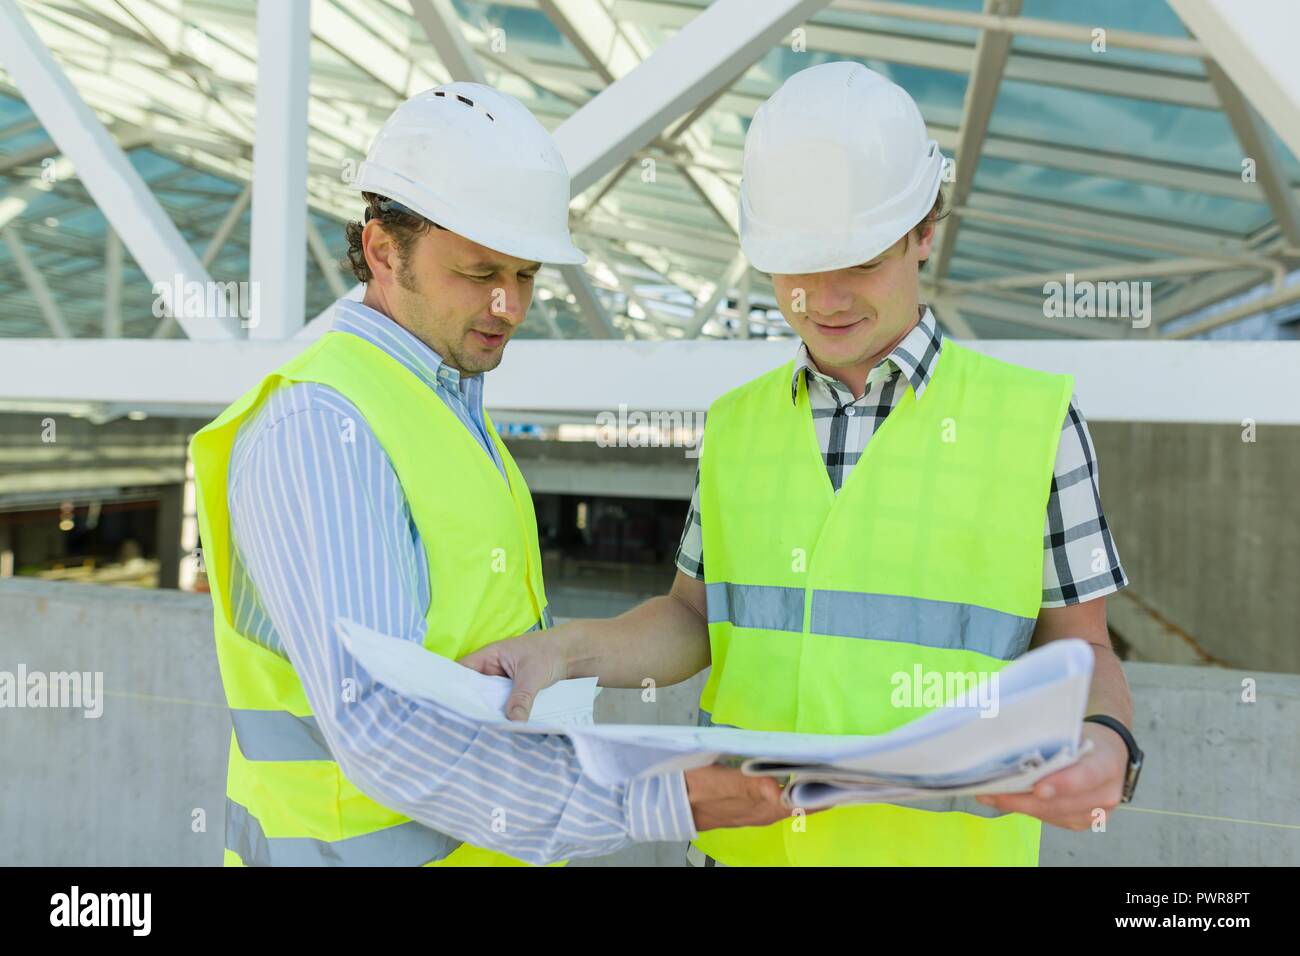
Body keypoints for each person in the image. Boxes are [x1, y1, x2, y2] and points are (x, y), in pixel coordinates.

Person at [460, 62, 1140, 866]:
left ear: (925, 231)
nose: (824, 299)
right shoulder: (738, 424)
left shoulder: (1037, 421)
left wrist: (1109, 742)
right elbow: (690, 618)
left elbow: (1084, 647)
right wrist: (564, 653)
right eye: (797, 268)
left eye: (859, 262)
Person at [188, 82, 786, 867]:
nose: (509, 305)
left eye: (527, 274)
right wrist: (654, 800)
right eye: (478, 272)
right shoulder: (323, 426)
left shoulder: (444, 409)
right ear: (380, 249)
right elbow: (376, 722)